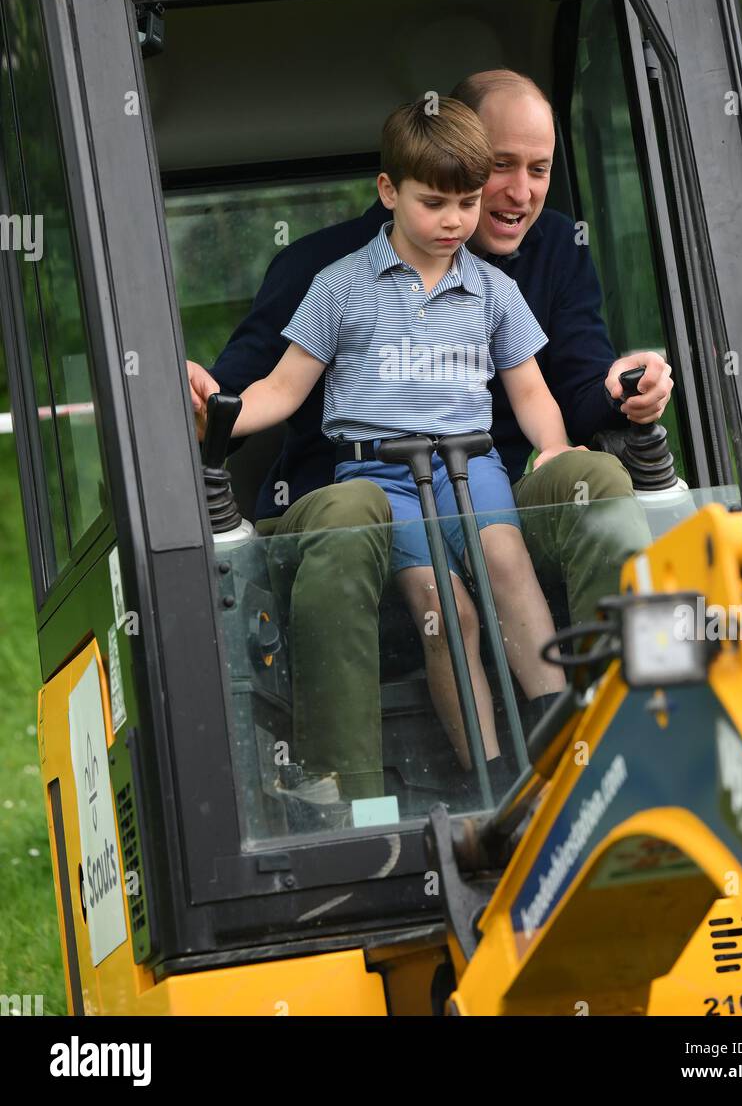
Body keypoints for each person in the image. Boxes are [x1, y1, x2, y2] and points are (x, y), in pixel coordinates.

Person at [187, 68, 673, 807]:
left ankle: (580, 751)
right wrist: (215, 413)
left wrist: (558, 451)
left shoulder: (497, 286)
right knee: (446, 612)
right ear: (391, 191)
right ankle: (493, 784)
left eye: (471, 200)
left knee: (510, 565)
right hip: (380, 478)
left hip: (472, 468)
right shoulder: (334, 280)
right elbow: (279, 390)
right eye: (439, 200)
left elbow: (539, 390)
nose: (458, 218)